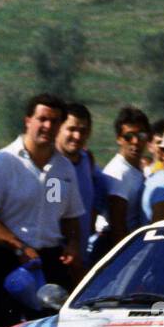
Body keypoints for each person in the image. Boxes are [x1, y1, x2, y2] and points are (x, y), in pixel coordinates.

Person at [0, 94, 85, 327]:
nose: (47, 126)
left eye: (54, 121)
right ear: (28, 120)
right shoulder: (3, 162)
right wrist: (19, 247)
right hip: (9, 259)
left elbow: (66, 215)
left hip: (50, 259)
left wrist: (73, 244)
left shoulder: (62, 168)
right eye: (42, 119)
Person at [56, 101, 106, 264]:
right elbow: (54, 213)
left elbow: (98, 190)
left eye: (82, 131)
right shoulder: (52, 166)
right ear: (59, 128)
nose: (77, 136)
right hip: (61, 256)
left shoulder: (87, 160)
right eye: (71, 129)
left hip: (82, 254)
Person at [101, 106, 149, 245]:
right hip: (115, 244)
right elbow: (117, 226)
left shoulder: (136, 168)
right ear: (119, 139)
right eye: (129, 136)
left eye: (141, 135)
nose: (135, 141)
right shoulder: (119, 173)